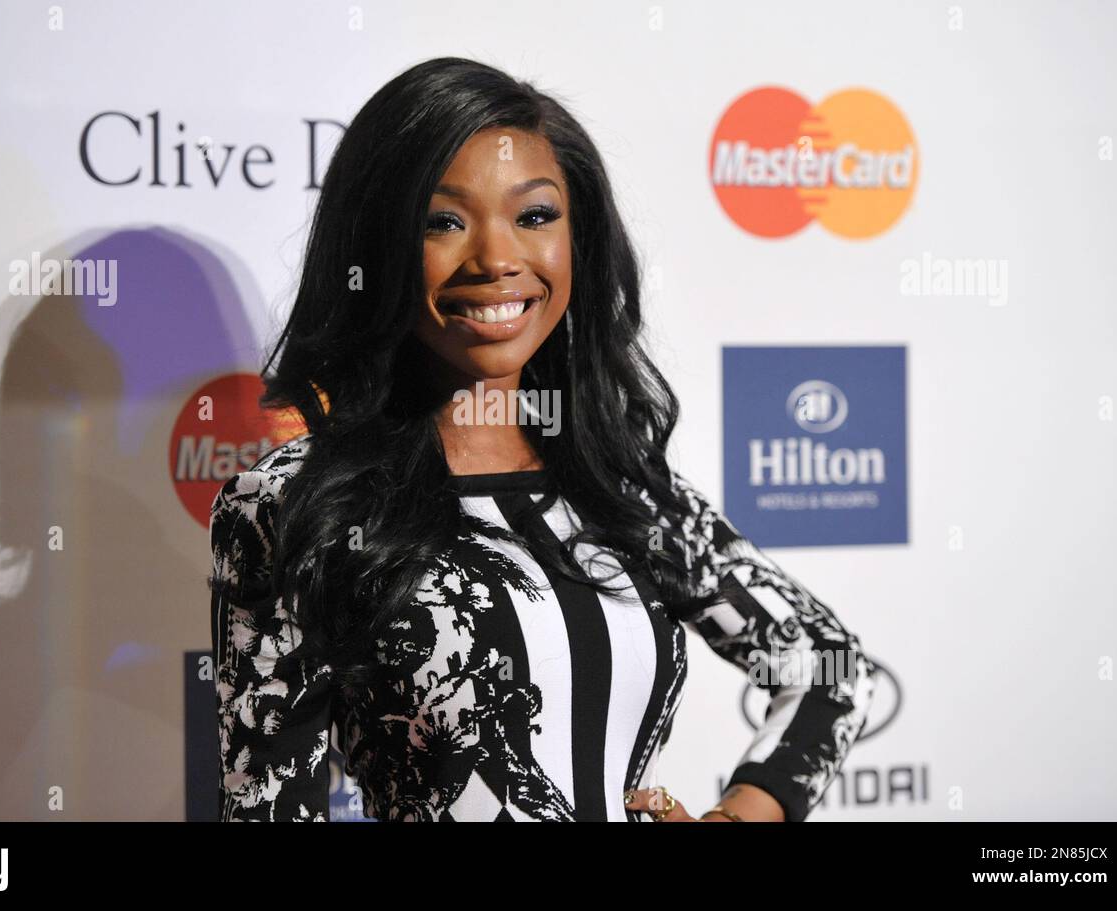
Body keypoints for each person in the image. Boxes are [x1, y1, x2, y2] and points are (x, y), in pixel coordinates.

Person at [207, 56, 877, 822]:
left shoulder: (619, 489)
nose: (498, 259)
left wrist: (742, 812)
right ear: (375, 245)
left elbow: (827, 667)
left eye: (534, 216)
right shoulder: (294, 504)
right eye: (443, 220)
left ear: (576, 240)